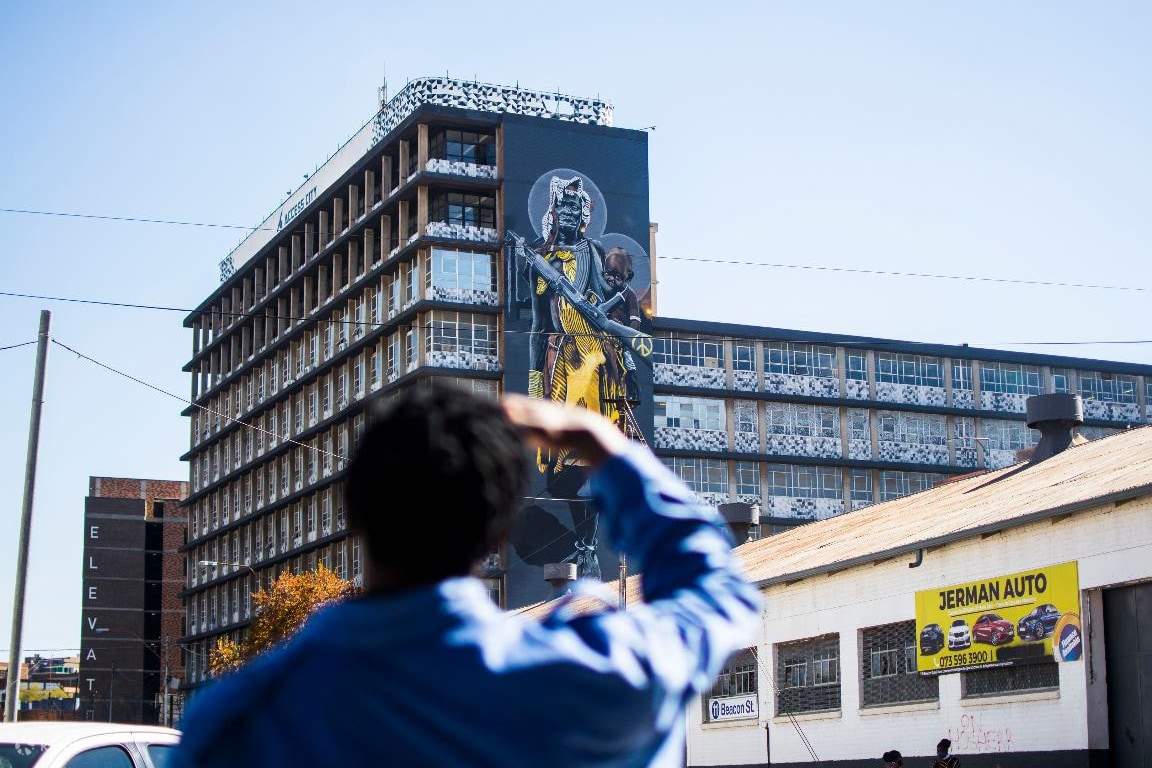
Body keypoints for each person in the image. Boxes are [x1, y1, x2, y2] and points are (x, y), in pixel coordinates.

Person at [175, 385, 761, 768]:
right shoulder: (597, 676)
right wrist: (602, 444)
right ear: (499, 532)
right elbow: (713, 594)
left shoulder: (238, 723)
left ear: (353, 510)